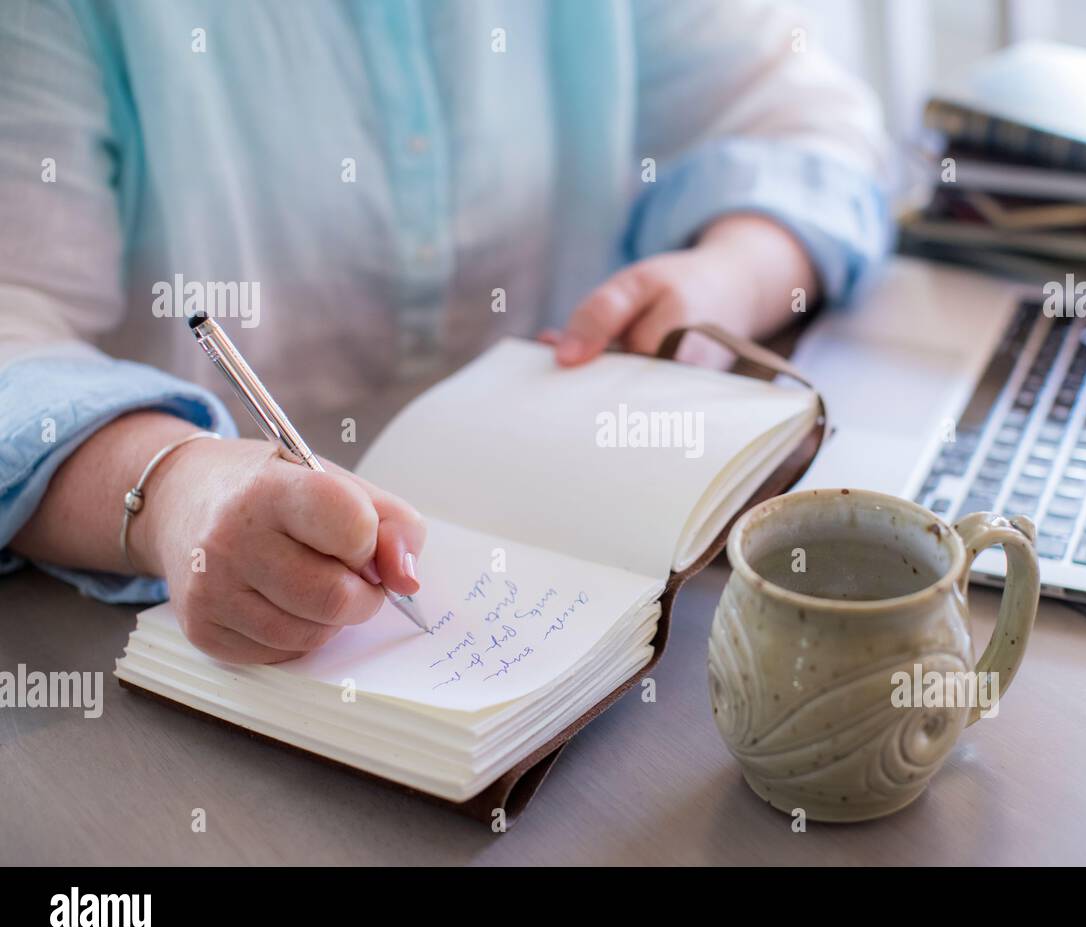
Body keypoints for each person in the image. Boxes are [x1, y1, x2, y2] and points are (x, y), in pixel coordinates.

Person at [0, 0, 892, 663]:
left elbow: (812, 128)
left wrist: (726, 276)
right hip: (141, 661)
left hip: (609, 554)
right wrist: (173, 492)